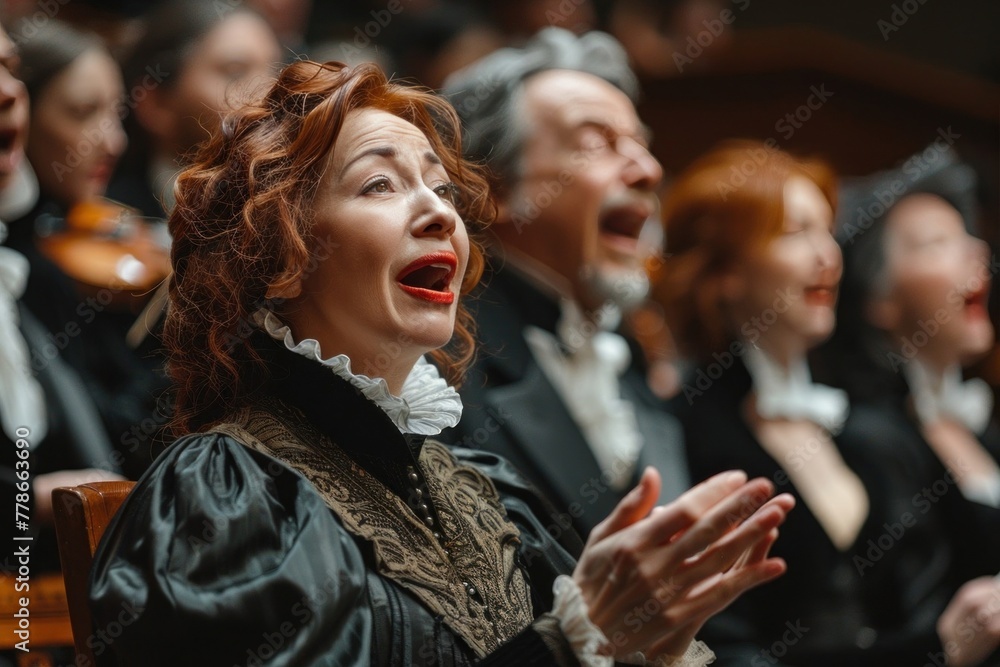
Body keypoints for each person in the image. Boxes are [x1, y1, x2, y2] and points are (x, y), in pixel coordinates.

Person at [89, 59, 794, 666]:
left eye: (442, 189)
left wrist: (649, 633)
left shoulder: (487, 490)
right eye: (379, 185)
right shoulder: (225, 492)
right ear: (279, 256)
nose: (439, 215)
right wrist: (577, 644)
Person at [440, 28, 688, 537]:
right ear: (491, 188)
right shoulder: (436, 374)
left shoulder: (636, 365)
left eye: (641, 145)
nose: (649, 169)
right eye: (596, 142)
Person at [821, 147, 1000, 667]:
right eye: (935, 243)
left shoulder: (983, 425)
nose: (977, 251)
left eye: (969, 236)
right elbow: (905, 626)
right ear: (878, 300)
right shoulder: (871, 438)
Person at [0, 18, 123, 666]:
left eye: (10, 69)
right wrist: (25, 496)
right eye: (80, 110)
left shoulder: (20, 273)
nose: (6, 93)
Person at [3, 18, 169, 479]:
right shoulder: (31, 273)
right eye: (82, 112)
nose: (112, 141)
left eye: (115, 114)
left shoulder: (84, 243)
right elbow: (119, 446)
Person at [107, 0, 281, 219]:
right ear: (157, 104)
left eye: (277, 71)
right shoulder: (108, 217)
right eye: (235, 72)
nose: (271, 93)